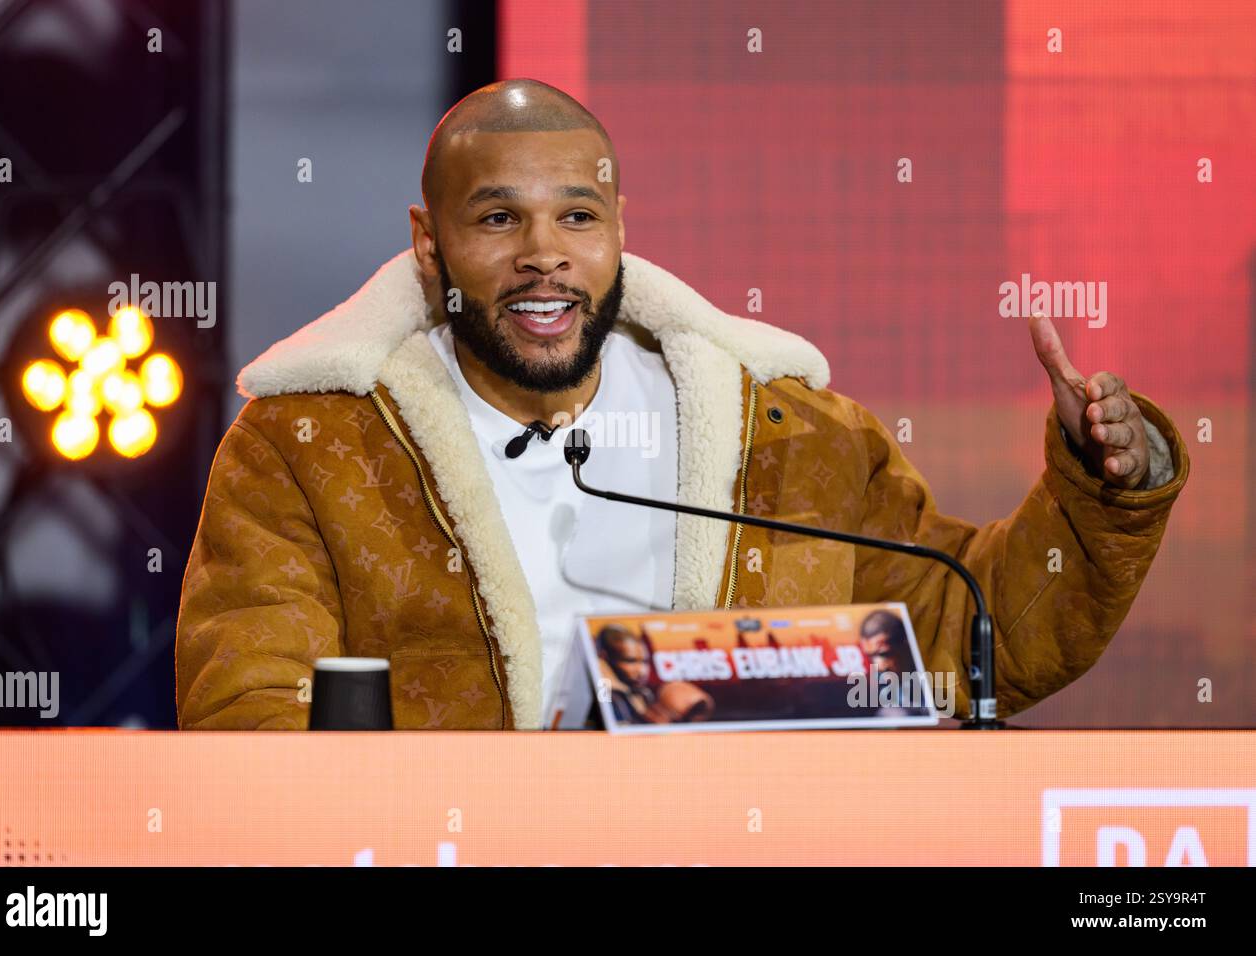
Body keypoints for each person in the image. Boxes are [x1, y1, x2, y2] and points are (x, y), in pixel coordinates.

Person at [175, 79, 1189, 731]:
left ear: (621, 226)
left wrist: (1104, 484)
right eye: (497, 219)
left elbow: (967, 638)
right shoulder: (306, 447)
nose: (545, 254)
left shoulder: (790, 437)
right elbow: (251, 712)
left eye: (578, 215)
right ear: (428, 239)